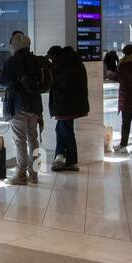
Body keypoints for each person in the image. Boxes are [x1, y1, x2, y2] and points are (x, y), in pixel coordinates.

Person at [0, 32, 43, 185]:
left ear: (15, 46)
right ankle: (34, 174)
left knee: (20, 140)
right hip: (35, 105)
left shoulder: (13, 61)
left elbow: (3, 81)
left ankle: (21, 174)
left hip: (19, 105)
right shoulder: (35, 60)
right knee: (33, 139)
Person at [47, 44, 89, 172]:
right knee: (60, 129)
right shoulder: (76, 61)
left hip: (64, 104)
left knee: (66, 132)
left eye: (51, 58)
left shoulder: (59, 65)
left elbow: (53, 83)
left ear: (55, 56)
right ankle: (60, 158)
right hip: (76, 103)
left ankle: (71, 161)